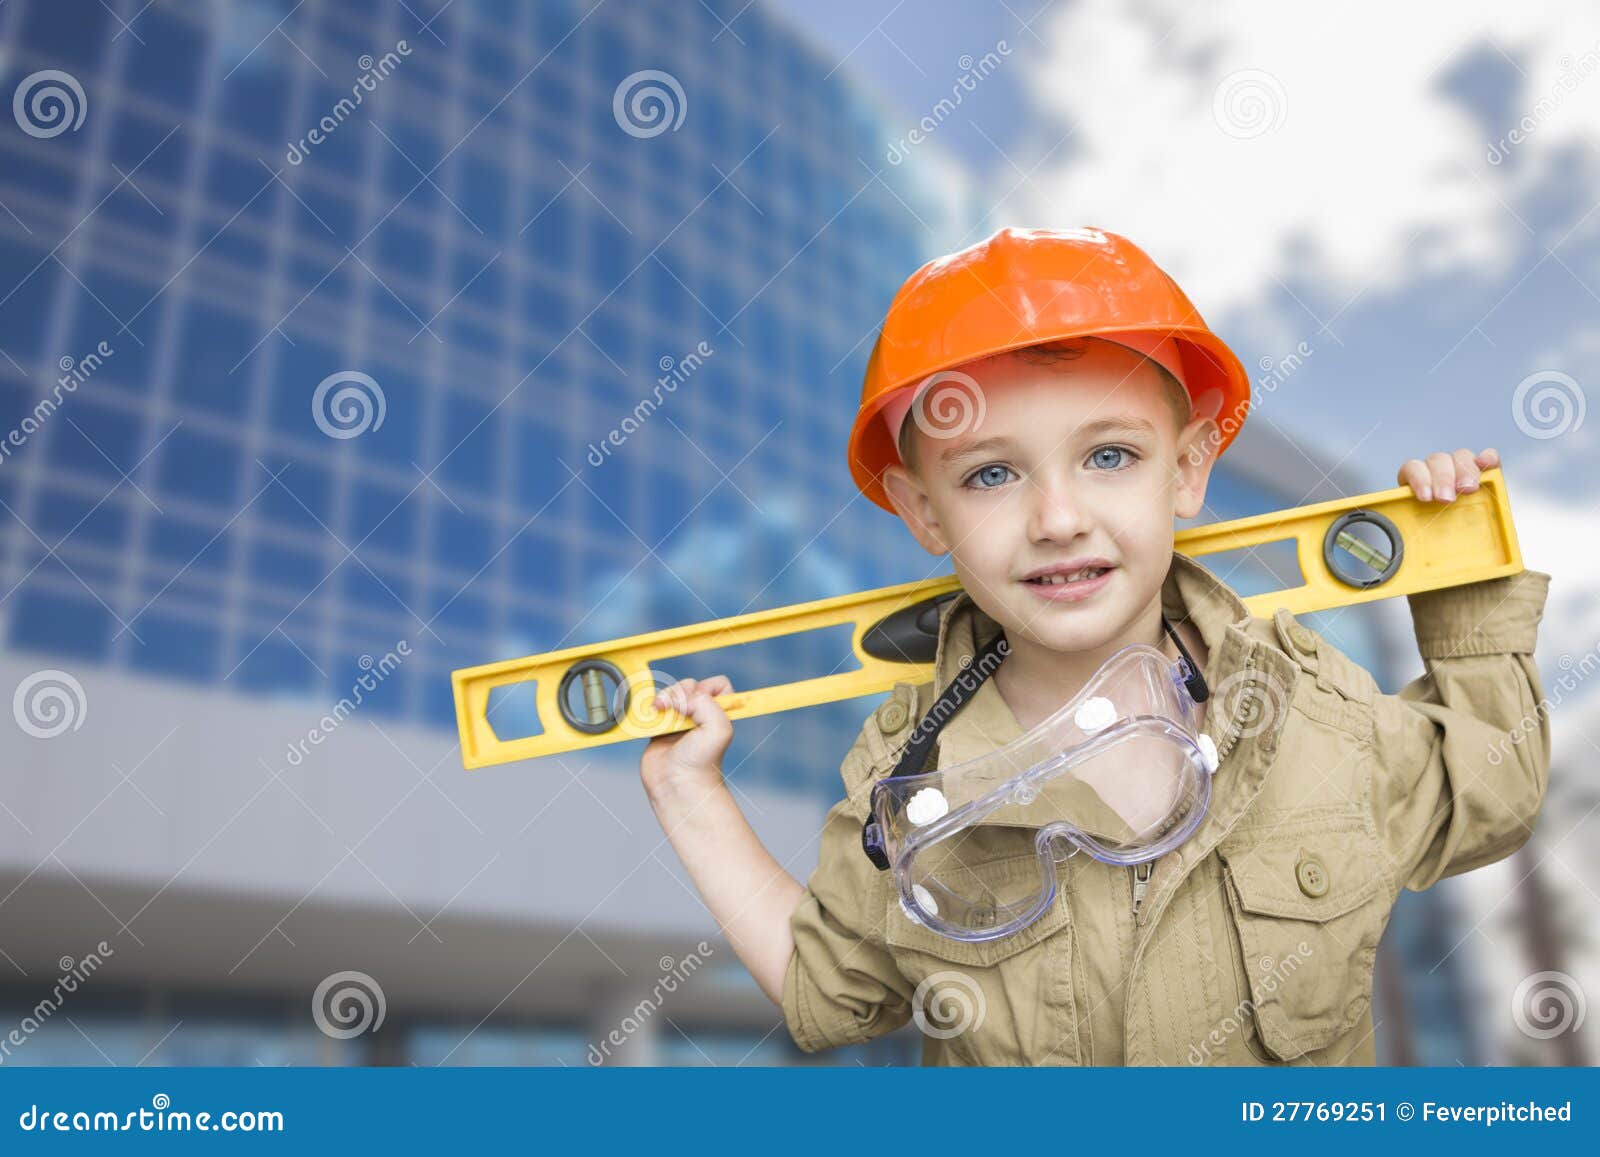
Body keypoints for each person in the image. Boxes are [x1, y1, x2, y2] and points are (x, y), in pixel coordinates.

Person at [638, 227, 1553, 1065]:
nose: (1059, 519)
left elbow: (1491, 795)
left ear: (1188, 467)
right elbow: (828, 998)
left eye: (1109, 455)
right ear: (924, 509)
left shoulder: (1302, 702)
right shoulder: (907, 777)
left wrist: (1461, 586)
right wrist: (689, 794)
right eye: (992, 473)